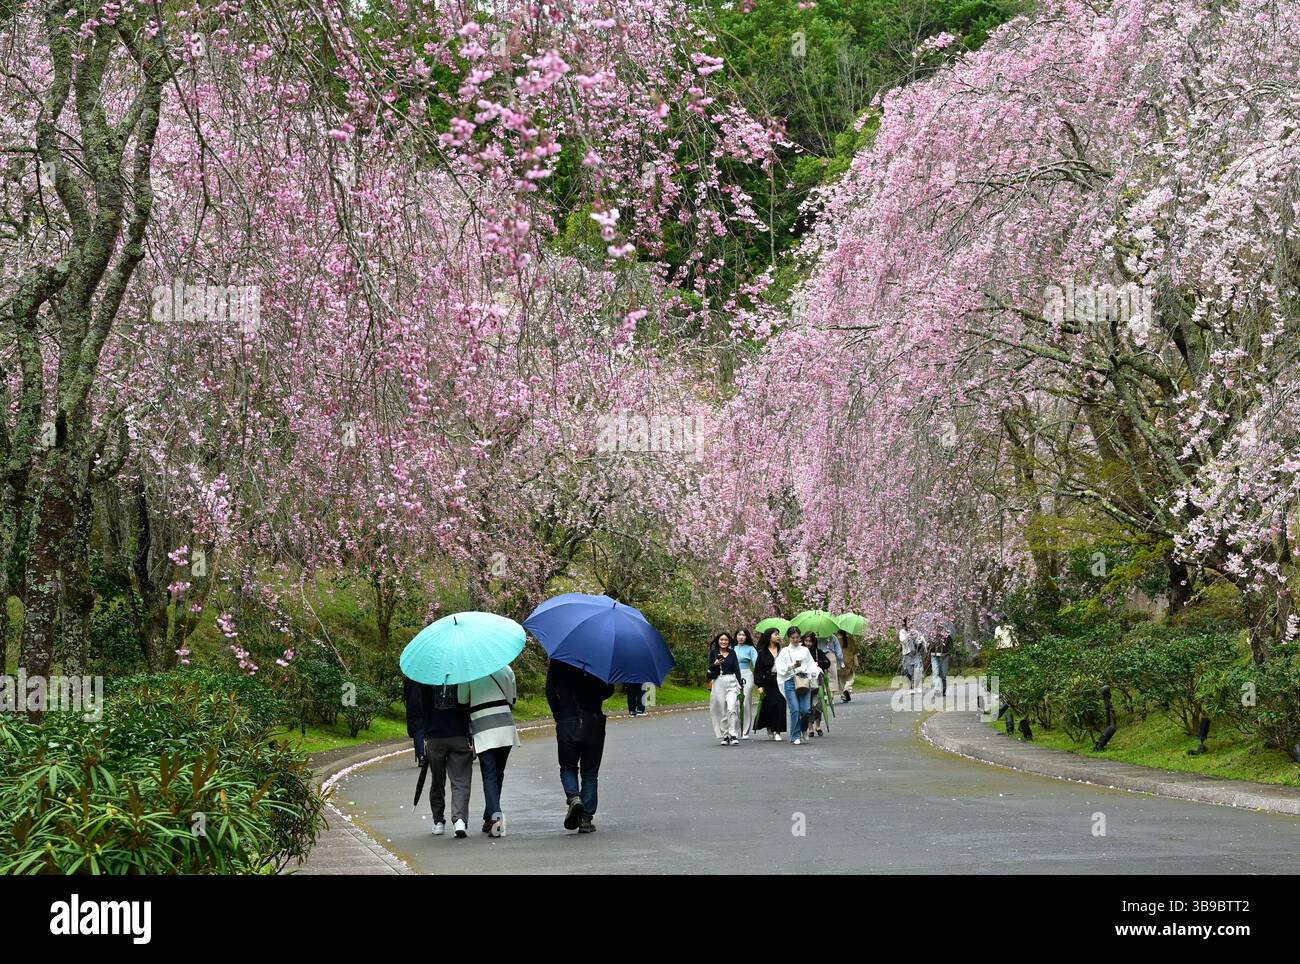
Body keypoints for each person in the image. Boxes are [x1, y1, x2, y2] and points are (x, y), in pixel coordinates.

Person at [545, 657, 615, 834]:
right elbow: (608, 690)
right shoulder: (599, 658)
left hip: (567, 719)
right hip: (593, 721)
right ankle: (585, 819)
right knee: (590, 773)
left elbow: (550, 691)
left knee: (568, 767)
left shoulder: (558, 659)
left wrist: (558, 714)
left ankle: (574, 796)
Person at [460, 665, 520, 837]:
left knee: (490, 775)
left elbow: (462, 700)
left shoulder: (468, 672)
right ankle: (490, 816)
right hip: (505, 727)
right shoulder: (506, 669)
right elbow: (512, 699)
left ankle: (495, 817)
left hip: (483, 729)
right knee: (498, 773)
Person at [418, 681, 474, 838]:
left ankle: (438, 821)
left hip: (434, 736)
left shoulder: (426, 676)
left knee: (437, 780)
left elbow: (422, 706)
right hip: (459, 734)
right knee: (461, 780)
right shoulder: (461, 673)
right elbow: (466, 702)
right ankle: (460, 820)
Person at [774, 626, 815, 745]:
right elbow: (779, 668)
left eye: (797, 637)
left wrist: (815, 672)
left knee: (806, 709)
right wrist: (792, 666)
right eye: (793, 638)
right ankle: (795, 735)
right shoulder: (785, 651)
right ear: (789, 638)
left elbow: (811, 664)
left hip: (804, 680)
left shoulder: (805, 650)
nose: (796, 640)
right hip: (790, 681)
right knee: (795, 709)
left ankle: (803, 728)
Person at [707, 631, 744, 745]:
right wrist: (715, 664)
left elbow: (737, 668)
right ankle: (725, 735)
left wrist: (740, 684)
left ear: (729, 642)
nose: (723, 642)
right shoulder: (714, 653)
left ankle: (733, 734)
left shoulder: (732, 653)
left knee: (732, 707)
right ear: (718, 641)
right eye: (721, 640)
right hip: (718, 682)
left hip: (731, 682)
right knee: (722, 710)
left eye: (726, 640)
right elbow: (709, 670)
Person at [753, 627, 788, 740]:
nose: (778, 636)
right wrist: (760, 685)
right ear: (769, 636)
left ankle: (777, 731)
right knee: (769, 706)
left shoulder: (783, 651)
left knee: (780, 705)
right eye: (775, 634)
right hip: (768, 681)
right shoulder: (762, 652)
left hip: (781, 680)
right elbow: (758, 670)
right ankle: (769, 726)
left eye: (778, 634)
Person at [733, 627, 759, 739]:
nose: (741, 637)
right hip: (733, 676)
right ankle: (734, 727)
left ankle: (745, 730)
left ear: (747, 637)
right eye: (739, 634)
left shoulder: (751, 649)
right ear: (736, 636)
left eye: (743, 635)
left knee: (745, 702)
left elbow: (756, 664)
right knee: (735, 703)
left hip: (746, 675)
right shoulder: (731, 648)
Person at [806, 632, 831, 737]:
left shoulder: (817, 652)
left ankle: (818, 726)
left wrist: (818, 663)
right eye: (806, 641)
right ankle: (810, 728)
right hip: (806, 682)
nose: (808, 643)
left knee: (818, 704)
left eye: (810, 641)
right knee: (808, 705)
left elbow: (827, 663)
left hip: (817, 682)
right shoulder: (801, 652)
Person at [403, 673, 426, 767]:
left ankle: (421, 755)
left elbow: (406, 694)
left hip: (413, 707)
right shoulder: (426, 675)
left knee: (418, 730)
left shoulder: (409, 677)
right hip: (425, 705)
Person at [931, 631, 953, 697]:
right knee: (935, 673)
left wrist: (946, 650)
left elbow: (950, 646)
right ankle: (937, 690)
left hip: (944, 656)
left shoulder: (947, 635)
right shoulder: (932, 633)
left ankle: (943, 690)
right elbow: (928, 644)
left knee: (943, 674)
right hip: (934, 656)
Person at [836, 629, 856, 702]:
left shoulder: (836, 640)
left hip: (839, 662)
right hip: (849, 661)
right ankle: (847, 689)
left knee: (841, 680)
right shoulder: (850, 640)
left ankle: (843, 693)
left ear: (838, 632)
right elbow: (854, 651)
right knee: (850, 678)